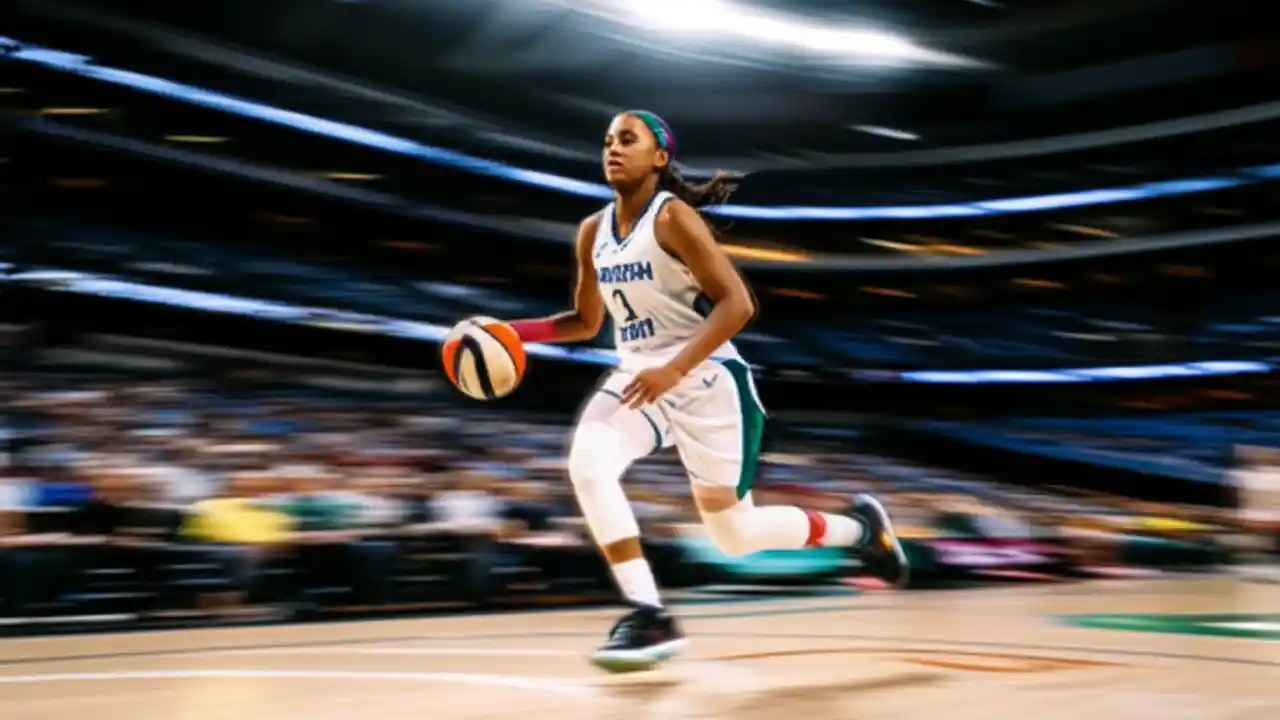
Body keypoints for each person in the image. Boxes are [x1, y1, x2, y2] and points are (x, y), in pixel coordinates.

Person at [506, 110, 909, 672]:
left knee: (735, 536)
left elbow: (738, 303)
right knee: (588, 463)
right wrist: (512, 333)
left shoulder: (673, 217)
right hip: (639, 376)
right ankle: (649, 614)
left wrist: (673, 369)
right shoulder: (592, 231)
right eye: (608, 141)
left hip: (706, 379)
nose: (613, 148)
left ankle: (860, 529)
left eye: (627, 140)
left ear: (659, 157)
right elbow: (585, 320)